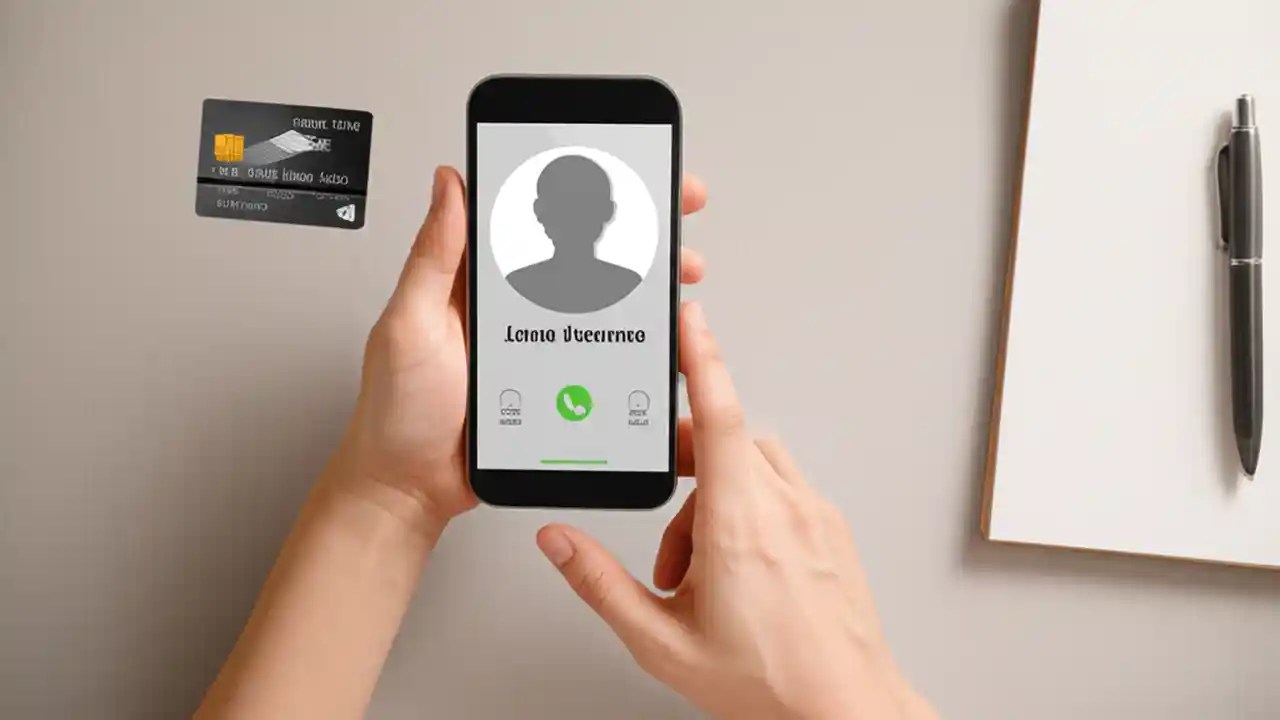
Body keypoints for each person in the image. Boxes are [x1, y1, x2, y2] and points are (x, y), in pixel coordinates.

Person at [194, 167, 937, 720]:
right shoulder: (530, 282)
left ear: (609, 213)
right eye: (556, 203)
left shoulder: (613, 281)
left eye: (586, 204)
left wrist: (391, 494)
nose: (569, 218)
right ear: (539, 214)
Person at [505, 154, 643, 313]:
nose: (573, 216)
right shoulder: (627, 285)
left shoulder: (519, 285)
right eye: (562, 205)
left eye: (583, 204)